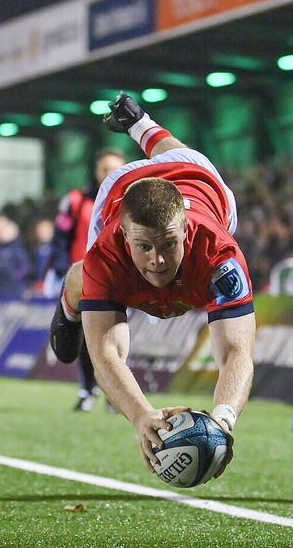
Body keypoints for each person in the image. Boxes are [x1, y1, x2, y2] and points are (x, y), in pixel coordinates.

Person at [48, 93, 255, 477]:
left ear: (187, 230)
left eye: (168, 244)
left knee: (185, 158)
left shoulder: (220, 255)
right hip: (120, 189)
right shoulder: (106, 254)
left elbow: (236, 353)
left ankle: (138, 121)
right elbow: (107, 355)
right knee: (91, 287)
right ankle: (71, 294)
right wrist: (142, 416)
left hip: (198, 177)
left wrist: (224, 421)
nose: (157, 260)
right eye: (144, 246)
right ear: (124, 236)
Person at [50, 149, 126, 411]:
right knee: (86, 337)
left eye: (114, 168)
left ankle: (114, 395)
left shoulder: (131, 200)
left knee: (116, 336)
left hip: (119, 277)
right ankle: (88, 390)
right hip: (84, 279)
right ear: (96, 170)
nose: (109, 173)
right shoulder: (75, 200)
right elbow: (60, 239)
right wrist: (63, 271)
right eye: (104, 168)